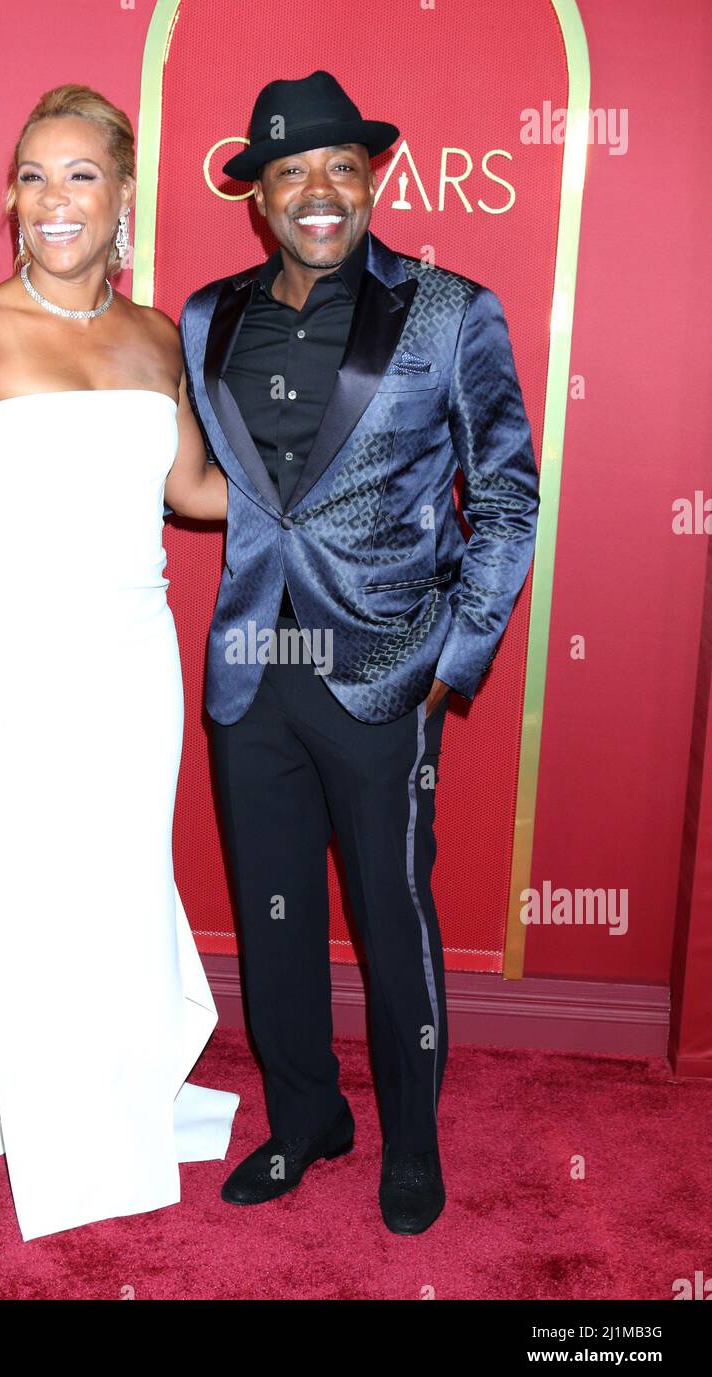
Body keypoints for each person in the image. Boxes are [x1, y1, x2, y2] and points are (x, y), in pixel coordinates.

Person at [179, 71, 540, 1234]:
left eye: (341, 166)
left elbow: (507, 495)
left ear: (372, 178)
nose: (318, 190)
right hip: (252, 665)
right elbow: (208, 484)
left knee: (391, 916)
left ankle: (412, 1142)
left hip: (387, 668)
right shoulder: (206, 317)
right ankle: (303, 1121)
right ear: (258, 197)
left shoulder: (449, 311)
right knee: (272, 907)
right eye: (291, 171)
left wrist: (460, 651)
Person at [0, 84, 238, 1242]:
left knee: (121, 875)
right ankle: (55, 1121)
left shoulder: (154, 338)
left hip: (132, 653)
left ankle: (121, 1087)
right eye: (34, 176)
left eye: (80, 175)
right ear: (11, 199)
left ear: (122, 198)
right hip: (9, 649)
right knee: (29, 882)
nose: (55, 199)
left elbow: (191, 489)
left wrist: (316, 480)